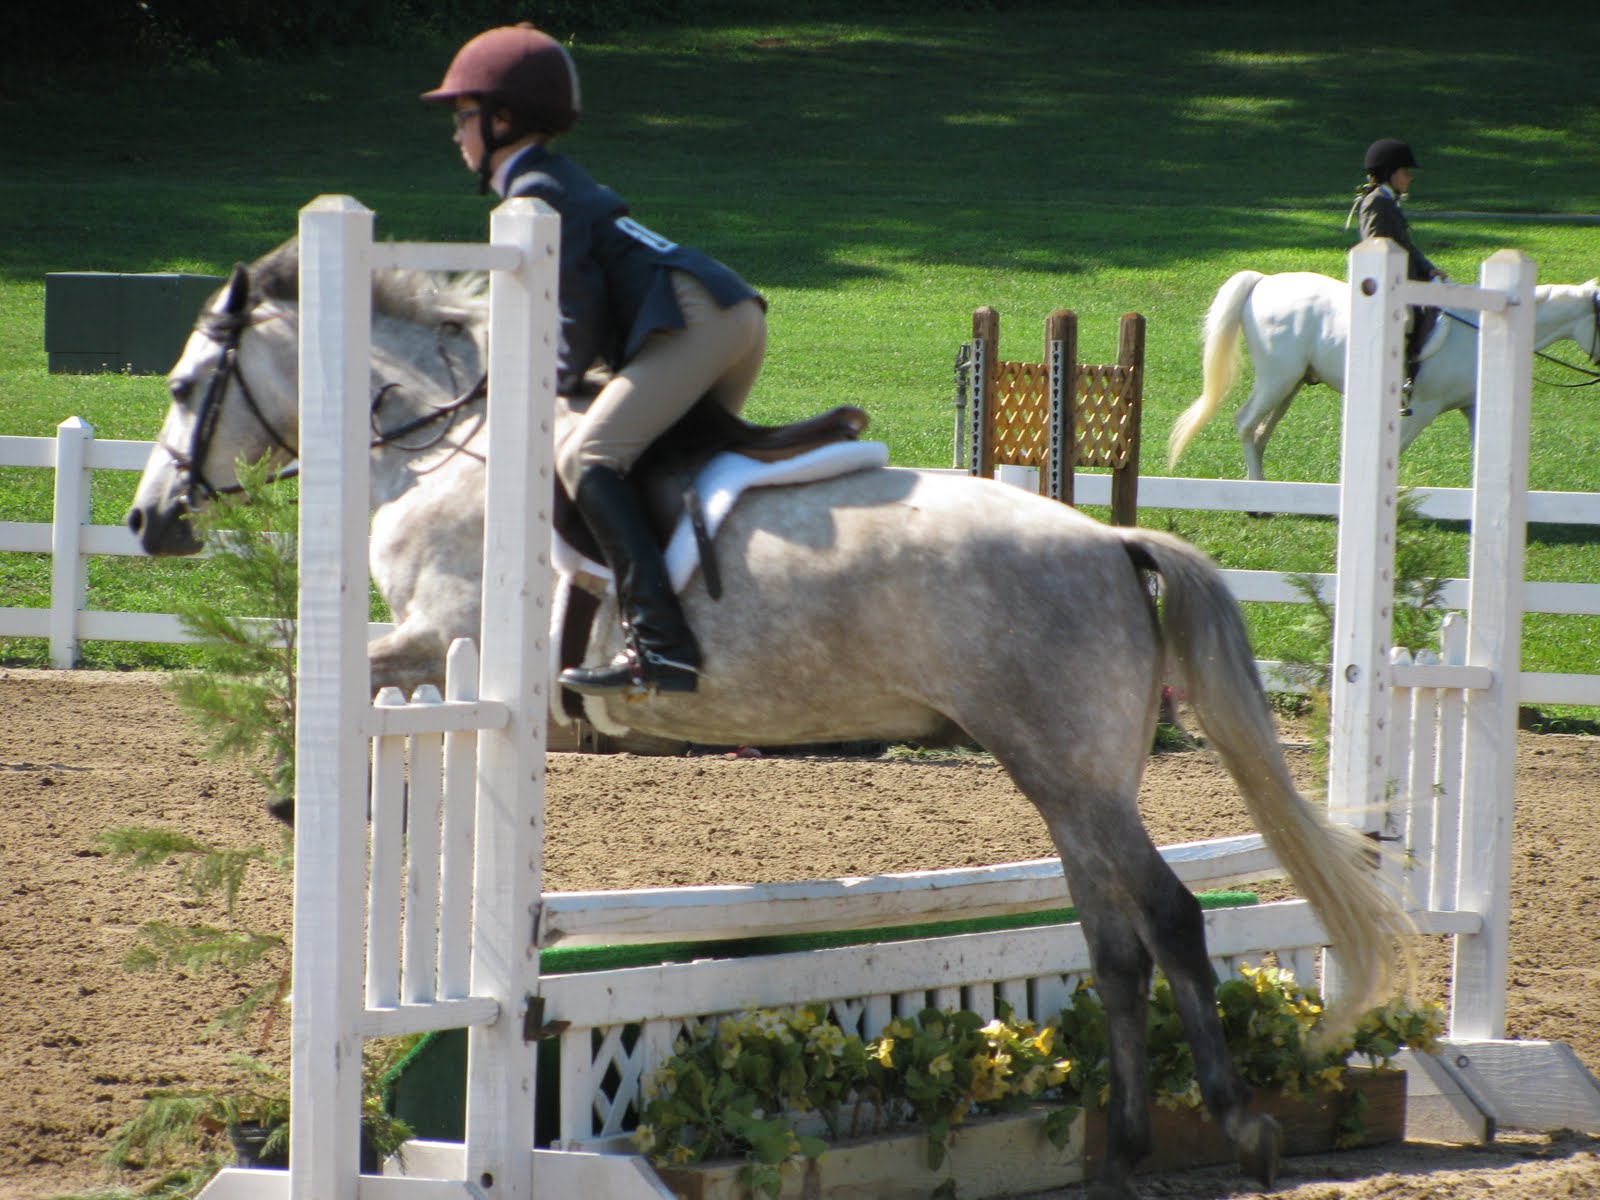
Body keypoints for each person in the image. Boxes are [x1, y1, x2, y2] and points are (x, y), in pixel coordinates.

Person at [423, 24, 768, 697]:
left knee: (589, 458)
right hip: (724, 314)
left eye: (463, 117)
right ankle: (714, 630)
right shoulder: (550, 182)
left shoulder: (535, 194)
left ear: (502, 120)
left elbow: (571, 313)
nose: (456, 134)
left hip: (691, 321)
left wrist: (538, 388)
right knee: (652, 474)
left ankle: (662, 647)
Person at [1348, 138, 1446, 393]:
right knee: (1406, 318)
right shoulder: (1375, 202)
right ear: (1389, 174)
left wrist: (1428, 269)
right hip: (1385, 280)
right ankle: (1399, 375)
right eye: (1405, 173)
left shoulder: (1389, 201)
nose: (1410, 178)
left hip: (1403, 275)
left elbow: (1407, 245)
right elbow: (1375, 245)